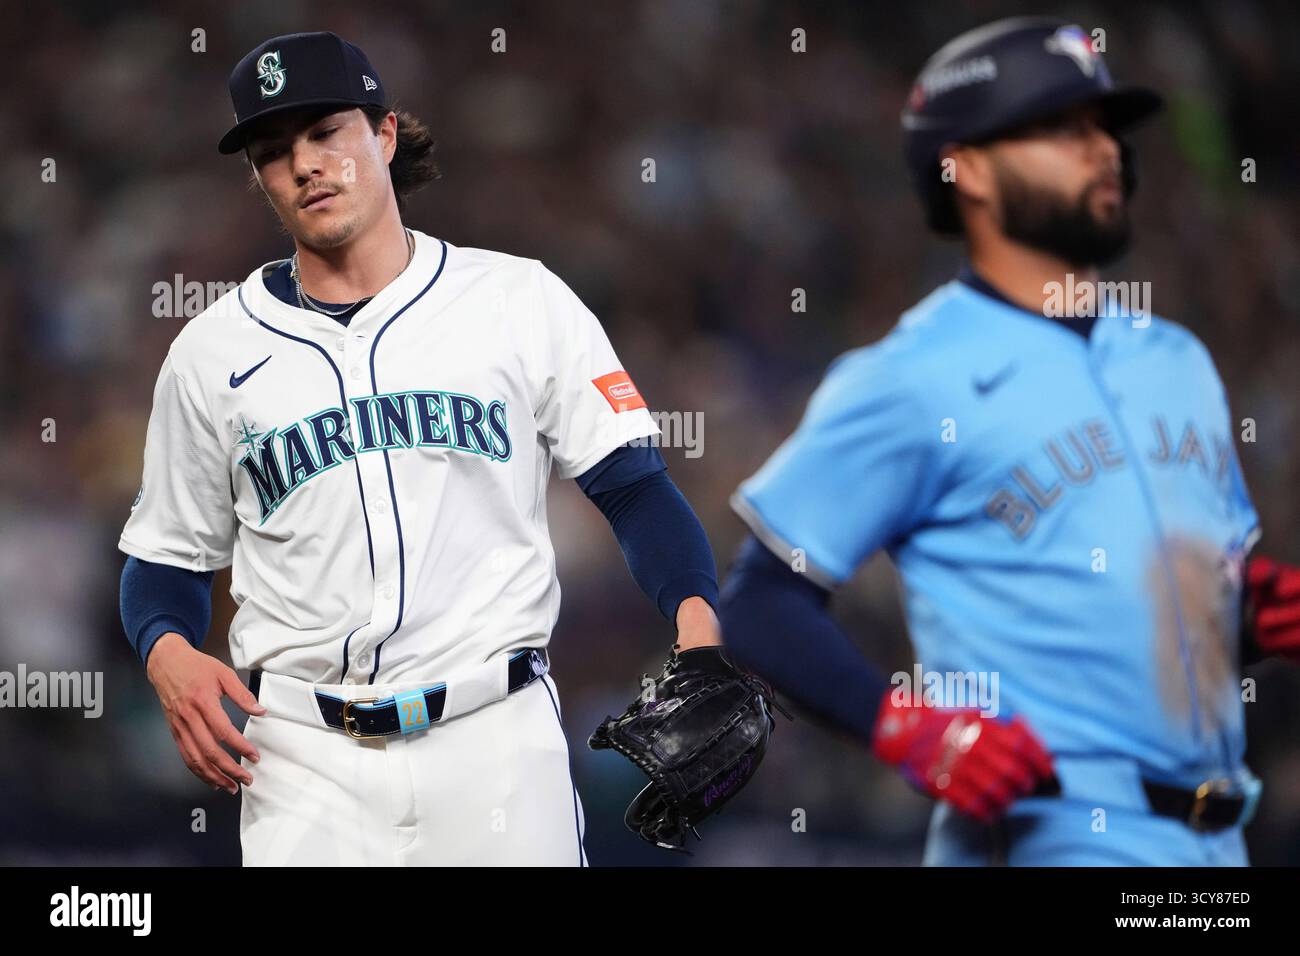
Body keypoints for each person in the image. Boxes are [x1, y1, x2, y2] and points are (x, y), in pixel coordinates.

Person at [119, 31, 722, 866]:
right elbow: (164, 561)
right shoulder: (211, 351)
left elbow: (634, 488)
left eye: (326, 132)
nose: (305, 164)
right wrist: (167, 652)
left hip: (495, 739)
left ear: (386, 133)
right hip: (300, 757)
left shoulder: (517, 300)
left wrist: (697, 628)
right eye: (274, 151)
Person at [718, 16, 1300, 865]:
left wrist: (1244, 606)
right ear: (970, 170)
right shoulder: (911, 375)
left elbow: (1131, 594)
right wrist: (902, 725)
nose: (1105, 150)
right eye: (1065, 129)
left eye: (1106, 127)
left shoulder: (1176, 359)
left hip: (1216, 844)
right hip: (1045, 836)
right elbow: (760, 604)